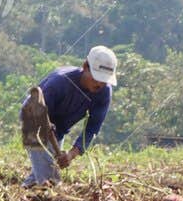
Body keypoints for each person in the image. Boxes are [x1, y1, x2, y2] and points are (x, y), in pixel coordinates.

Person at [21, 46, 118, 187]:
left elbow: (92, 128)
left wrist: (71, 155)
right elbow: (37, 111)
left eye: (104, 80)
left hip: (59, 129)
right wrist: (47, 130)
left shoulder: (103, 93)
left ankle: (27, 192)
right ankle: (52, 200)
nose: (99, 84)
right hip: (34, 119)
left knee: (44, 171)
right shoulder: (59, 82)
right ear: (85, 66)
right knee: (50, 178)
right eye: (97, 78)